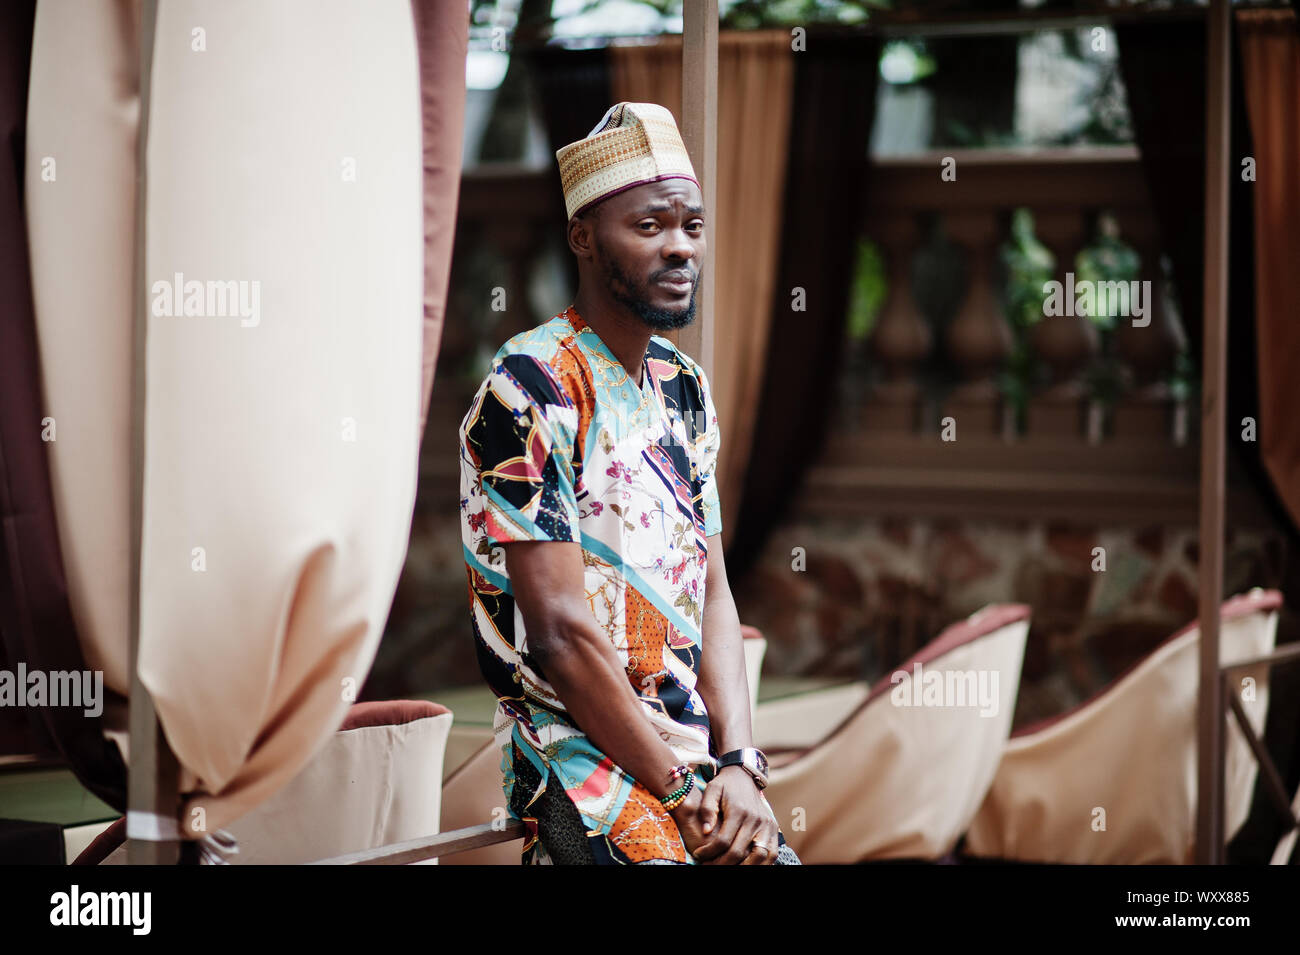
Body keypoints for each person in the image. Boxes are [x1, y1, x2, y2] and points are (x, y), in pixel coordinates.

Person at [458, 102, 798, 865]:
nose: (680, 249)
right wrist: (678, 791)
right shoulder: (530, 388)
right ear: (584, 237)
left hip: (699, 770)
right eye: (649, 227)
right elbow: (560, 633)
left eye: (692, 227)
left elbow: (713, 591)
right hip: (579, 766)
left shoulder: (685, 388)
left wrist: (741, 764)